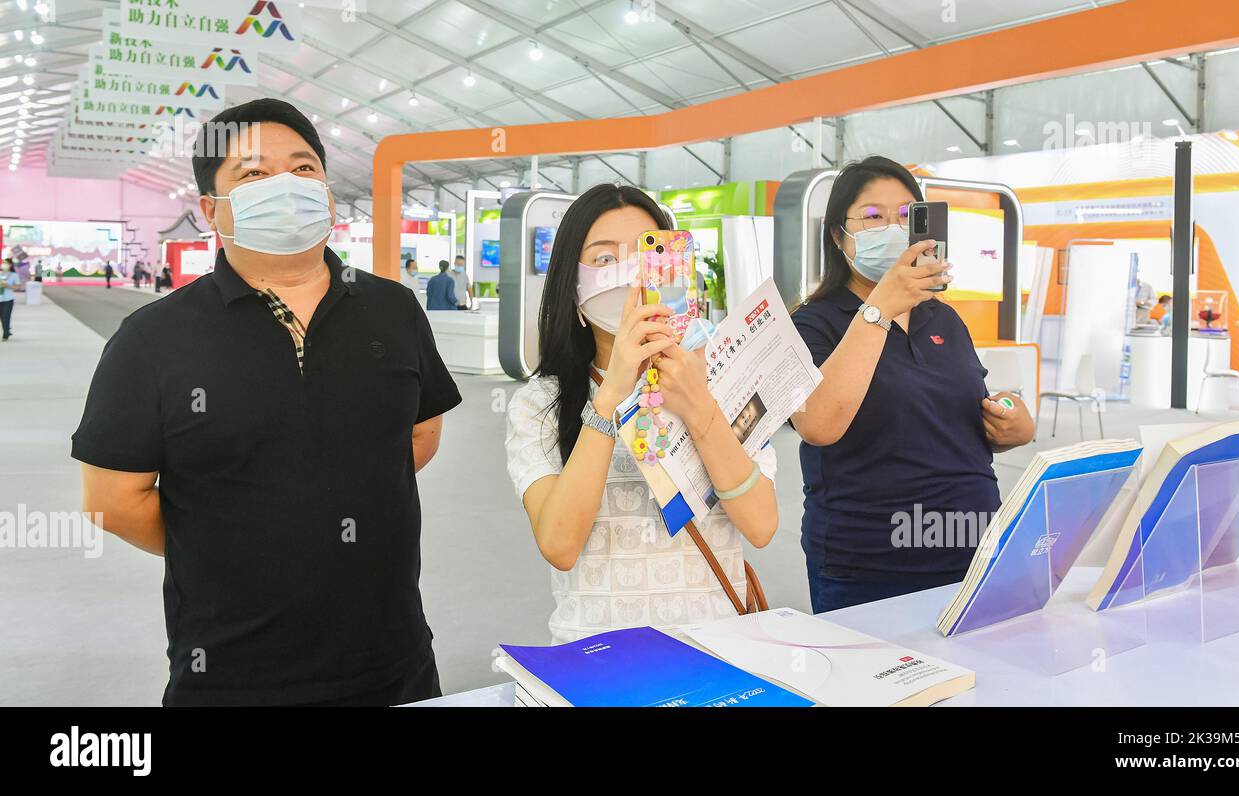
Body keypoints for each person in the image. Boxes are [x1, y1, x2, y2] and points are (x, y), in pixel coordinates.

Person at [73, 97, 462, 706]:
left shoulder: (394, 309)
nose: (285, 185)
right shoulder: (154, 339)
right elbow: (112, 501)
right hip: (231, 679)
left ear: (329, 195)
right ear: (211, 210)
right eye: (253, 174)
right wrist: (236, 541)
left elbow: (418, 434)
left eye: (304, 169)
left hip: (397, 669)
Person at [505, 184, 778, 644]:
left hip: (718, 648)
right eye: (604, 258)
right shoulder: (540, 404)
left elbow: (762, 524)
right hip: (596, 654)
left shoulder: (721, 379)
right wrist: (611, 393)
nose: (628, 274)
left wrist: (699, 406)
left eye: (644, 255)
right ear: (571, 285)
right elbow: (559, 544)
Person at [791, 157, 1035, 614]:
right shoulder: (812, 324)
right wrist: (880, 307)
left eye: (906, 216)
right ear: (836, 235)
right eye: (872, 216)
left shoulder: (942, 317)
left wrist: (1011, 423)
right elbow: (818, 423)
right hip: (869, 567)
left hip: (973, 552)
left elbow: (962, 417)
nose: (891, 228)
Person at [0, 258, 19, 340]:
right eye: (3, 263)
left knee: (6, 316)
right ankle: (7, 330)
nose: (4, 264)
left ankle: (5, 334)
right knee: (2, 317)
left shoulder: (14, 275)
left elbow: (17, 287)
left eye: (6, 263)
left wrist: (8, 285)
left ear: (10, 265)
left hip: (8, 299)